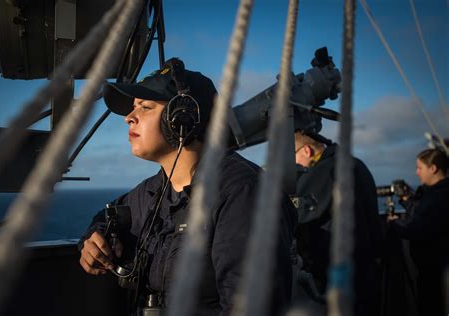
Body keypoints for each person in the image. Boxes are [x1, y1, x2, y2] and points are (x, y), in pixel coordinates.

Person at [77, 58, 297, 315]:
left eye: (145, 107)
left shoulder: (242, 193)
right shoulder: (151, 192)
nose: (129, 118)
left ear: (182, 118)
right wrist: (93, 241)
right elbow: (107, 216)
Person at [292, 130, 383, 316]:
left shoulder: (324, 171)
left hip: (338, 273)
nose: (295, 164)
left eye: (295, 156)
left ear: (307, 151)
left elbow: (299, 216)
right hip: (366, 268)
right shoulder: (357, 165)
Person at [388, 148, 449, 316]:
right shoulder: (433, 192)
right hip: (429, 268)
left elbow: (419, 228)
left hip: (438, 271)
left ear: (433, 168)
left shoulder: (441, 196)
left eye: (419, 168)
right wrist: (407, 199)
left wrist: (394, 225)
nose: (416, 173)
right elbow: (422, 212)